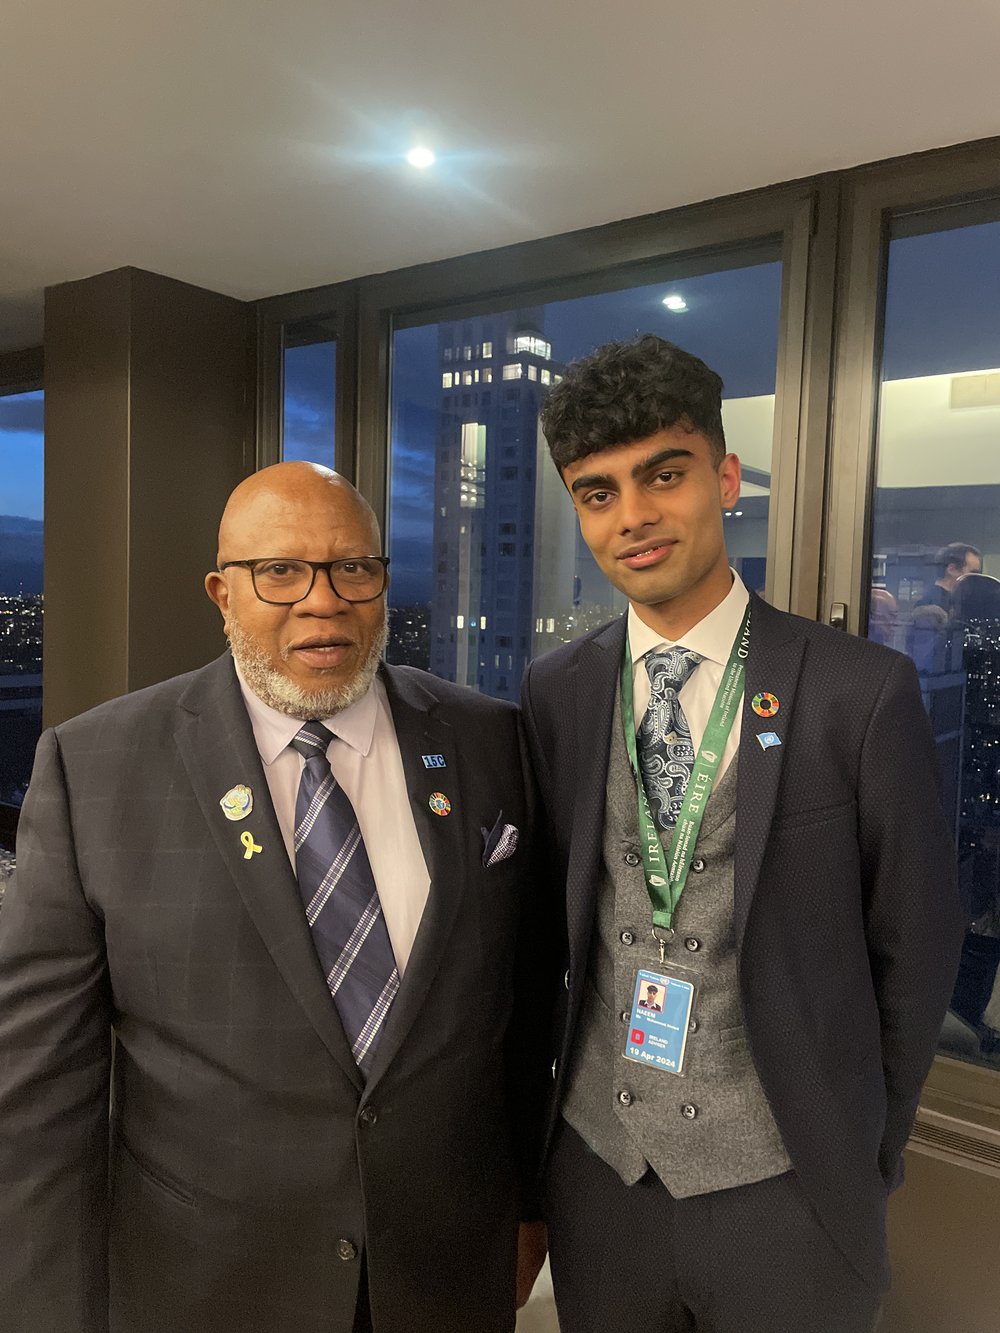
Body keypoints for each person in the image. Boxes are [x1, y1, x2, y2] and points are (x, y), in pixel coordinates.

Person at [0, 463, 547, 1333]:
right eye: (280, 572)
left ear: (381, 582)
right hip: (208, 1280)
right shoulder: (96, 767)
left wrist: (529, 1206)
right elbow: (37, 1088)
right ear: (223, 592)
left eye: (351, 568)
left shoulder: (488, 739)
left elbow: (518, 1013)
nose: (322, 600)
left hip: (445, 1271)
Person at [519, 336, 963, 1333]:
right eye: (596, 493)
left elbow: (918, 945)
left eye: (661, 476)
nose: (630, 516)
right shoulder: (558, 689)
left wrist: (854, 1144)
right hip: (601, 1175)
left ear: (723, 479)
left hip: (786, 1189)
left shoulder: (857, 691)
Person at [917, 541, 982, 612]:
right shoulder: (934, 606)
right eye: (973, 572)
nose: (977, 578)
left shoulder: (929, 600)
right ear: (952, 569)